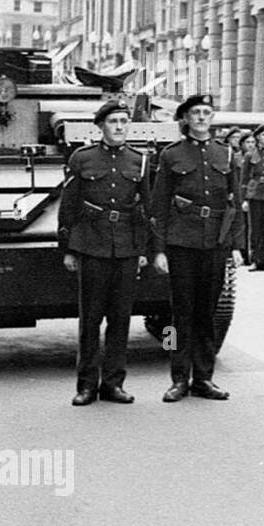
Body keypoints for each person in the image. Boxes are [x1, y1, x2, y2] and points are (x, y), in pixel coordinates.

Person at [149, 94, 245, 402]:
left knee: (208, 312)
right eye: (196, 113)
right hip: (181, 242)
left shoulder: (226, 154)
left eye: (206, 112)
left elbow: (236, 203)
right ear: (186, 119)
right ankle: (179, 379)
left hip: (215, 242)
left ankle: (204, 378)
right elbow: (159, 205)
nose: (202, 117)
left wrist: (236, 246)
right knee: (181, 314)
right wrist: (159, 249)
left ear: (212, 117)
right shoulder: (171, 155)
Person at [57, 97, 152, 406]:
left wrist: (142, 249)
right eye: (113, 122)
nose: (120, 127)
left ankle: (113, 384)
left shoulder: (139, 161)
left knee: (121, 318)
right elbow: (68, 206)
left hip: (125, 247)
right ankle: (86, 385)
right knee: (90, 320)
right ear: (100, 127)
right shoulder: (82, 159)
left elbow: (145, 209)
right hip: (91, 245)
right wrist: (68, 249)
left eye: (124, 121)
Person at [241, 127, 264, 272]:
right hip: (254, 193)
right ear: (257, 137)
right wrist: (244, 198)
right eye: (263, 134)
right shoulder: (250, 155)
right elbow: (244, 178)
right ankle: (255, 259)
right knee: (255, 228)